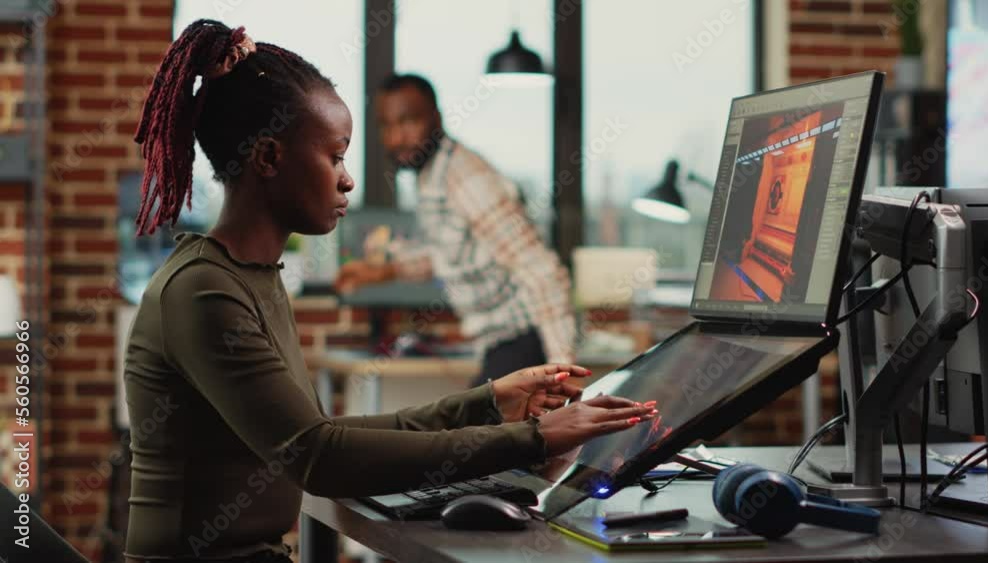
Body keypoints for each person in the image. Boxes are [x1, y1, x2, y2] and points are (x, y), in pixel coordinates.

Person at [123, 21, 656, 563]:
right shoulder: (203, 291)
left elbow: (321, 435)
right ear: (268, 158)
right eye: (334, 157)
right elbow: (320, 457)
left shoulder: (251, 277)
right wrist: (536, 437)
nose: (348, 179)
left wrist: (489, 404)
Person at [334, 74, 576, 387]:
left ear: (436, 117)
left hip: (526, 340)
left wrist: (565, 372)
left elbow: (544, 273)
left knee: (470, 431)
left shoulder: (465, 178)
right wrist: (382, 272)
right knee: (467, 429)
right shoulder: (432, 174)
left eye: (408, 121)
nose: (396, 138)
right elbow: (450, 252)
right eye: (386, 126)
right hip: (501, 344)